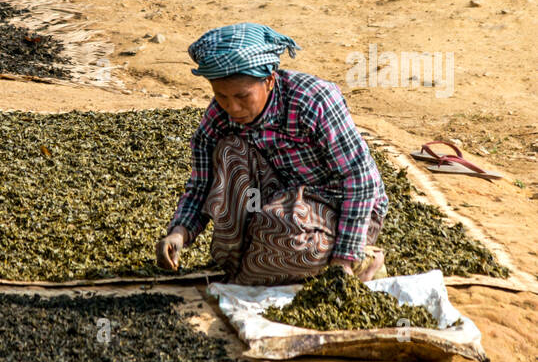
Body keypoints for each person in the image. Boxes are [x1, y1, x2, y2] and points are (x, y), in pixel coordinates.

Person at [156, 22, 388, 284]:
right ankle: (264, 243)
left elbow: (359, 179)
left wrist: (343, 260)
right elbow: (202, 183)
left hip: (338, 202)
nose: (232, 107)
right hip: (278, 199)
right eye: (221, 96)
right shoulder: (219, 116)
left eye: (242, 96)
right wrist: (179, 232)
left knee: (284, 243)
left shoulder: (313, 101)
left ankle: (362, 258)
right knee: (231, 157)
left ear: (269, 80)